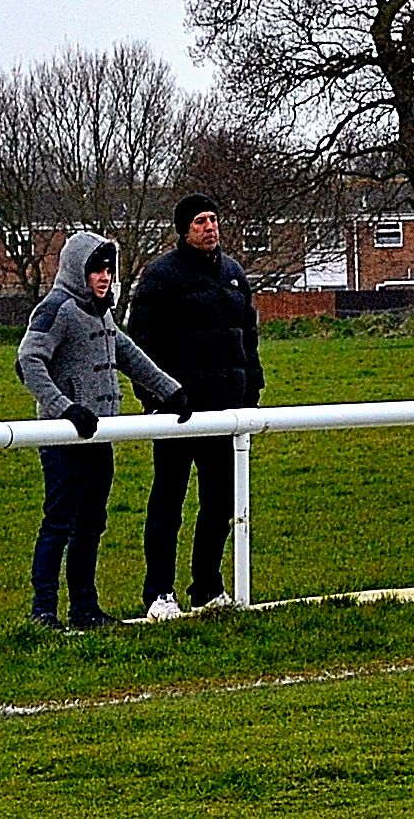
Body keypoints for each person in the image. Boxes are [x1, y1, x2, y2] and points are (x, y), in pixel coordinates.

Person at [16, 231, 188, 630]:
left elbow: (130, 355)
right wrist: (65, 409)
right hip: (62, 441)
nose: (104, 276)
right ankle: (43, 612)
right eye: (96, 269)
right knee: (58, 524)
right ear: (77, 271)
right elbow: (28, 360)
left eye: (107, 269)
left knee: (91, 524)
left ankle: (83, 609)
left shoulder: (103, 313)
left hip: (99, 438)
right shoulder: (56, 308)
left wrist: (171, 391)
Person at [129, 193, 264, 621]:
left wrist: (251, 388)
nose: (210, 227)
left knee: (220, 503)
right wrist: (158, 399)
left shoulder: (233, 274)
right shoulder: (161, 277)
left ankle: (207, 587)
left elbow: (248, 336)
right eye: (201, 221)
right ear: (184, 230)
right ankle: (159, 593)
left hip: (224, 413)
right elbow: (140, 346)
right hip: (177, 415)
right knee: (168, 503)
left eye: (214, 219)